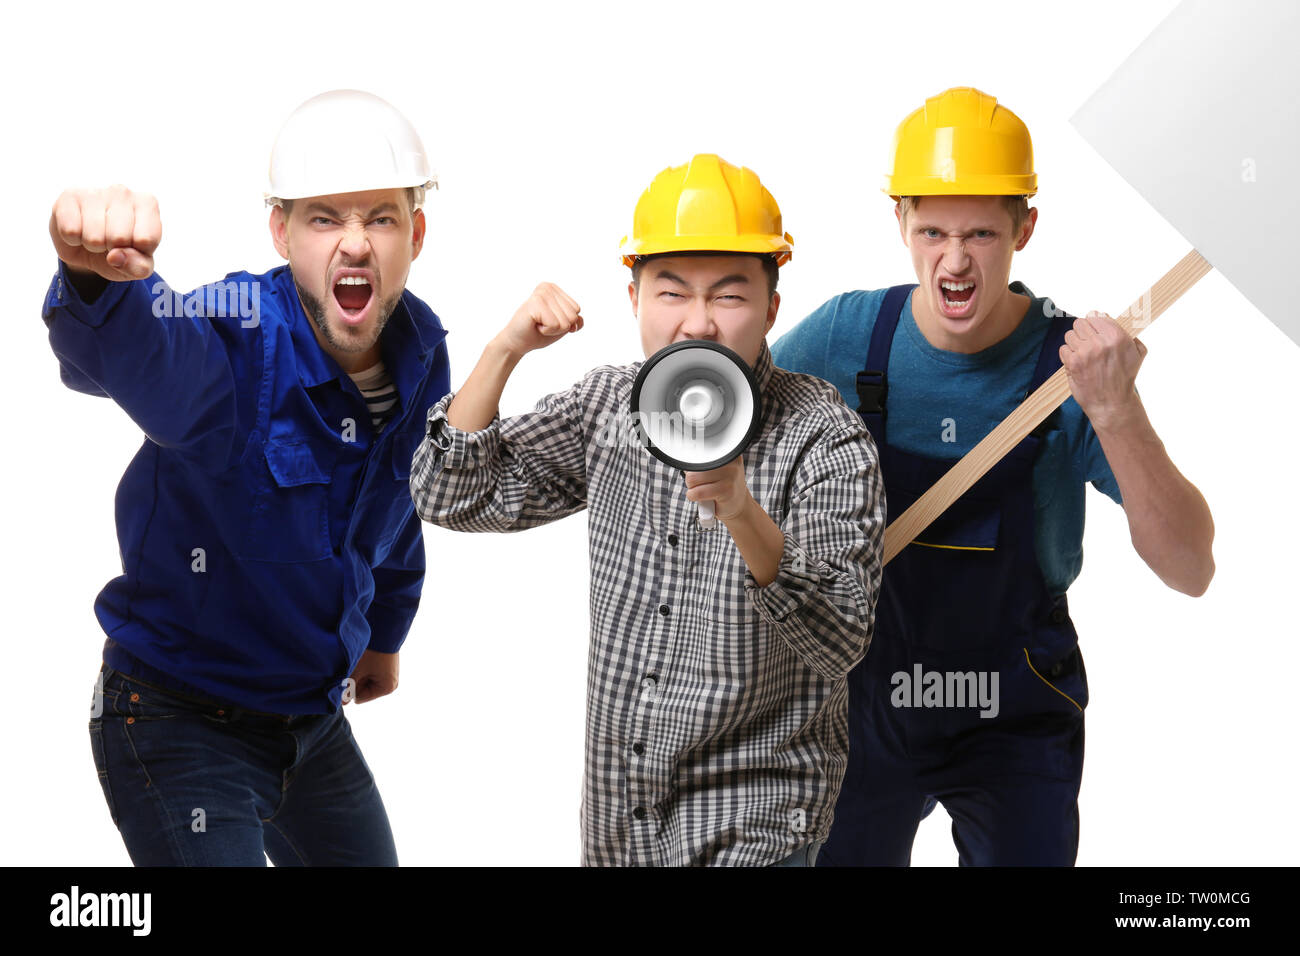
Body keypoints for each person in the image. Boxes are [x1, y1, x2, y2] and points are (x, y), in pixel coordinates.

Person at [770, 87, 1215, 866]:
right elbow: (730, 434)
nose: (955, 259)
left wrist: (1116, 413)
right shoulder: (845, 339)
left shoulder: (1074, 371)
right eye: (933, 230)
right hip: (862, 703)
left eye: (980, 232)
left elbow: (1191, 567)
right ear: (900, 224)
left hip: (1016, 709)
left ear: (1025, 229)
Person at [409, 153, 885, 866]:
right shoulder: (606, 407)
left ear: (771, 307)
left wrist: (740, 509)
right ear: (633, 298)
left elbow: (842, 635)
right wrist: (505, 350)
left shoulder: (824, 433)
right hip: (618, 829)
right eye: (672, 293)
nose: (698, 324)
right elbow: (449, 494)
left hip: (754, 823)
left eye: (728, 296)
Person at [42, 90, 449, 866]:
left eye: (382, 217)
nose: (355, 244)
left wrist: (385, 633)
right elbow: (154, 359)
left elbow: (401, 510)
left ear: (416, 233)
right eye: (324, 218)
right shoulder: (240, 331)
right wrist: (99, 285)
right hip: (176, 720)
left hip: (310, 719)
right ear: (282, 232)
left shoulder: (424, 353)